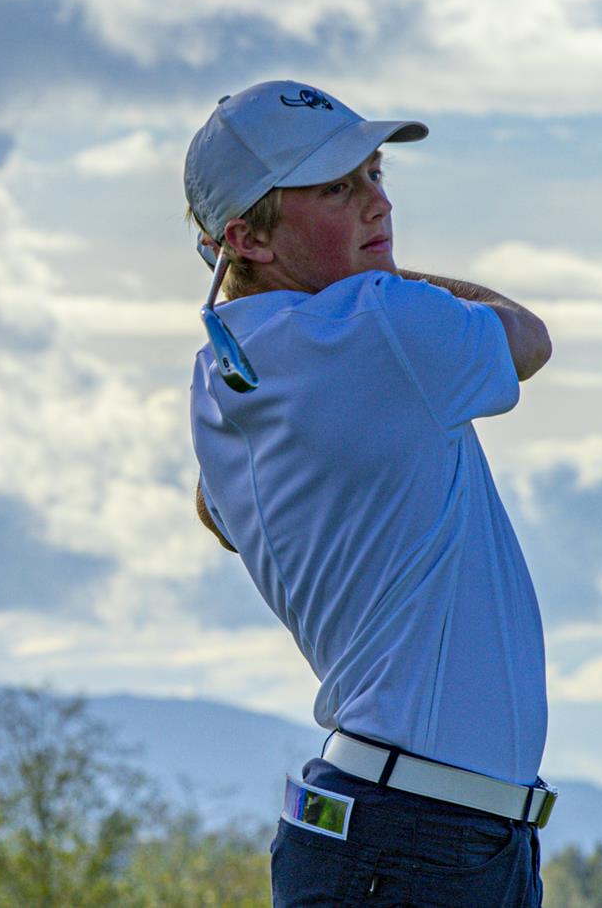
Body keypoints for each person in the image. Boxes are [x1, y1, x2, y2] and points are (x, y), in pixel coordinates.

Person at [184, 79, 556, 906]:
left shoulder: (221, 376)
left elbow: (216, 512)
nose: (375, 205)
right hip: (417, 836)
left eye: (374, 174)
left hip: (404, 830)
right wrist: (373, 280)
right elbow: (528, 334)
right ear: (245, 235)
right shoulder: (381, 323)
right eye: (334, 190)